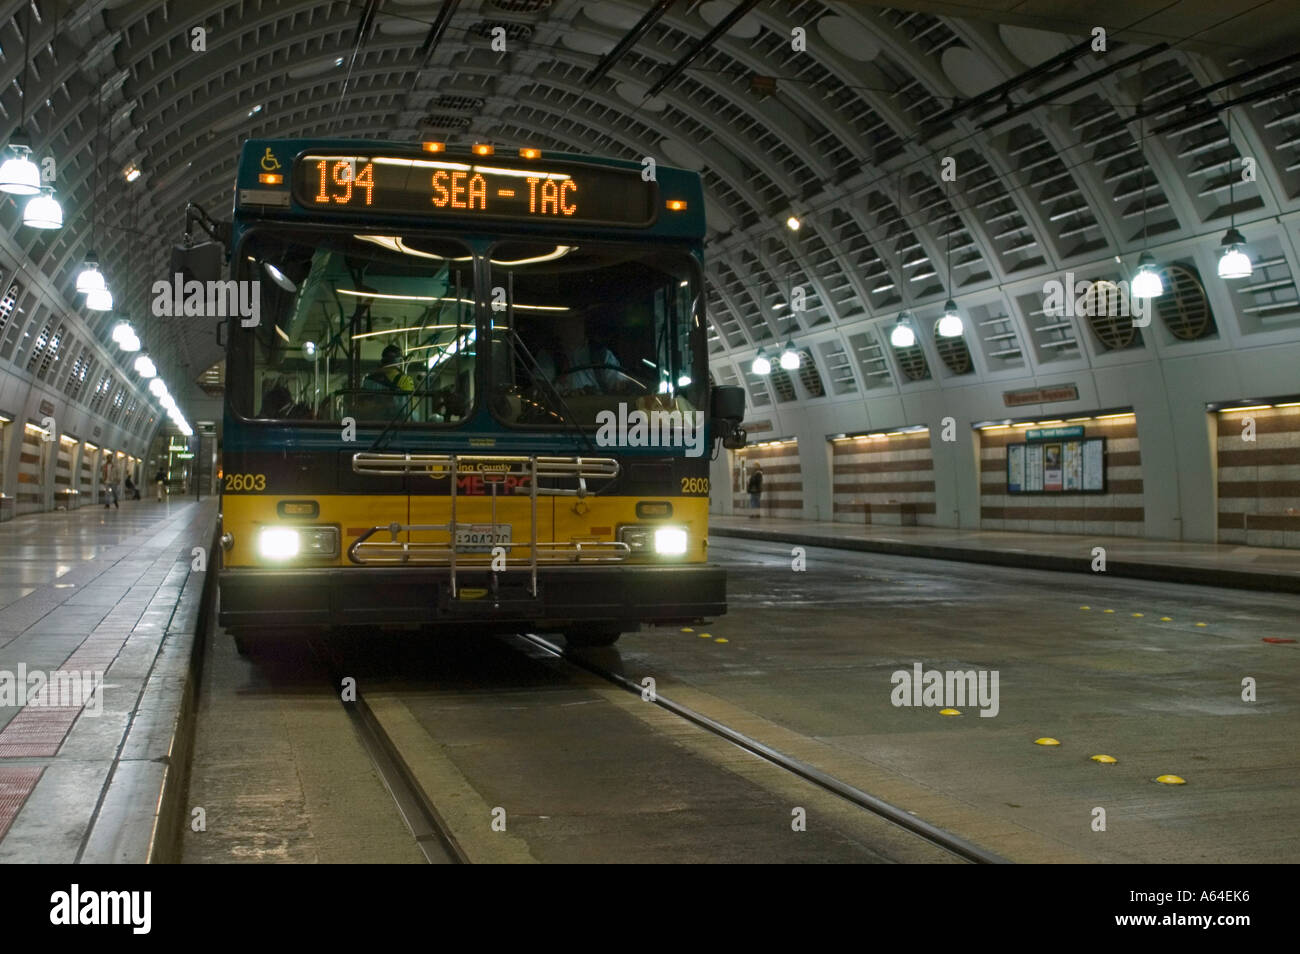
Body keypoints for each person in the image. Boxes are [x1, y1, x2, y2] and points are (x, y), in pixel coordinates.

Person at [534, 317, 623, 395]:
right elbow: (541, 389)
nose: (574, 327)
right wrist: (564, 391)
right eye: (567, 322)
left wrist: (621, 385)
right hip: (564, 409)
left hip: (602, 410)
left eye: (578, 321)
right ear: (557, 326)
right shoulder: (548, 354)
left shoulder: (600, 353)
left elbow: (618, 381)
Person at [360, 343, 415, 417]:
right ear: (399, 361)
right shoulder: (405, 380)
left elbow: (363, 404)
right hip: (396, 424)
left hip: (371, 423)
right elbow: (407, 408)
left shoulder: (368, 379)